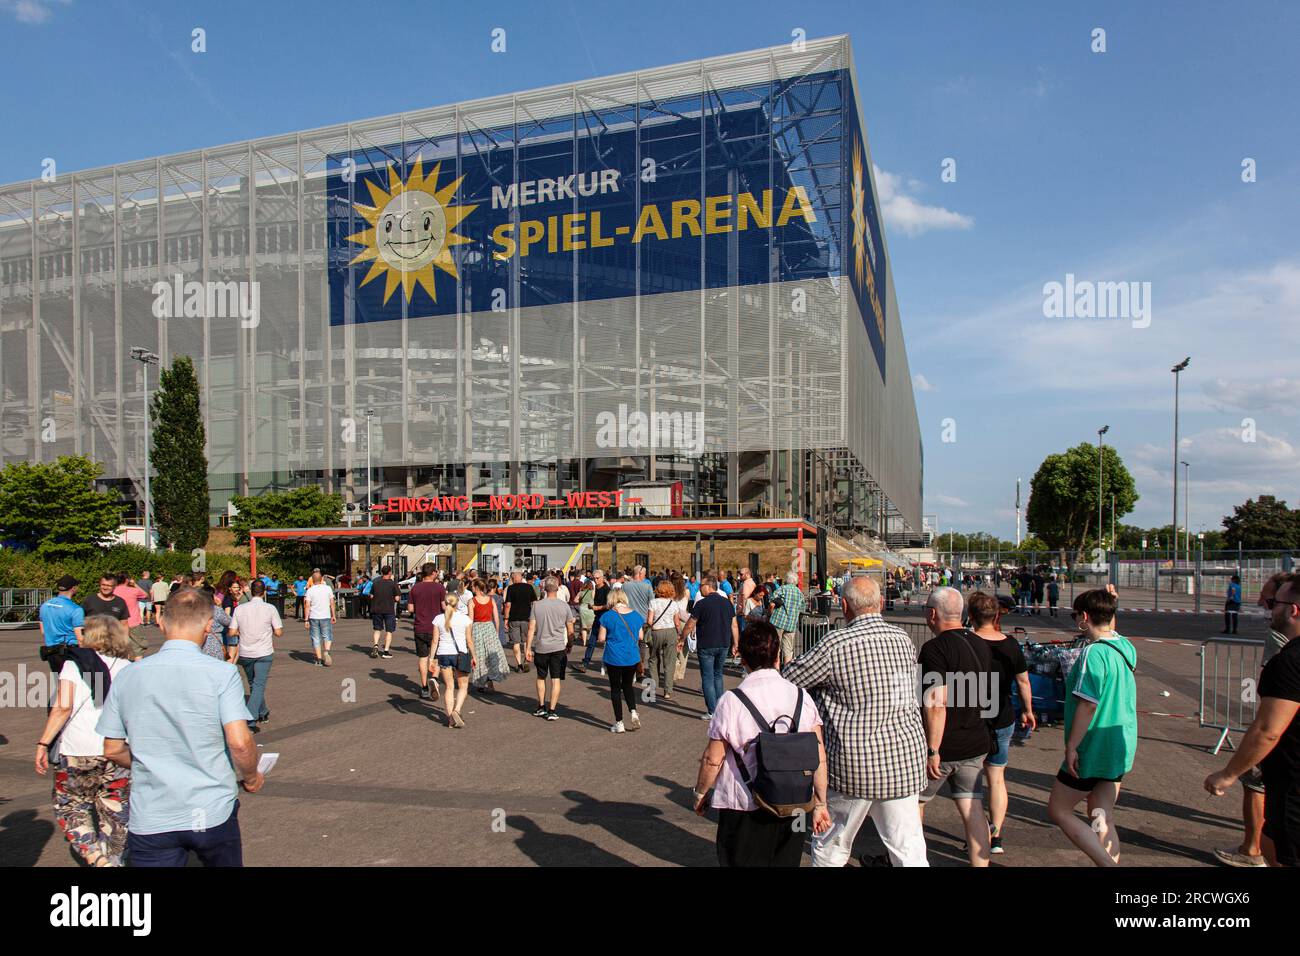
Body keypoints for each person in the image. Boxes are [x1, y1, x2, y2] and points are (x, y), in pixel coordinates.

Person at [96, 587, 263, 866]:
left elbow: (112, 749)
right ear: (210, 627)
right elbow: (239, 742)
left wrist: (150, 763)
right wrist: (251, 776)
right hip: (211, 808)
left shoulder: (128, 675)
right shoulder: (222, 673)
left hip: (152, 814)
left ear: (161, 622)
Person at [784, 576, 929, 867]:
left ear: (844, 605)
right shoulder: (902, 639)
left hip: (855, 763)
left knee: (831, 846)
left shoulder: (835, 644)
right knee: (908, 847)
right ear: (881, 603)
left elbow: (790, 680)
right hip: (903, 759)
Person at [693, 620, 831, 866]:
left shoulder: (732, 701)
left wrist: (701, 792)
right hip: (795, 803)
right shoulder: (802, 696)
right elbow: (818, 754)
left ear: (743, 660)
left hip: (745, 803)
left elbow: (713, 759)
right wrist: (820, 803)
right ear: (777, 655)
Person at [1205, 571, 1300, 867]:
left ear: (1293, 610)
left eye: (1274, 602)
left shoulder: (1289, 661)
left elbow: (1268, 729)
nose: (1268, 607)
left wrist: (1228, 774)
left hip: (1293, 786)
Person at [1047, 588, 1138, 866]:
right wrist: (1111, 604)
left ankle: (1108, 865)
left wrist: (1072, 745)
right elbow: (1111, 629)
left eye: (1076, 615)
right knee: (1101, 814)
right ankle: (1109, 860)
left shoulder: (1092, 654)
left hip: (1093, 745)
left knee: (1059, 809)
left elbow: (1088, 705)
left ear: (1084, 617)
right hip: (1119, 743)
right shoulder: (1125, 646)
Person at [34, 614, 134, 866]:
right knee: (116, 811)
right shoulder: (129, 668)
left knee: (72, 807)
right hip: (117, 749)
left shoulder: (73, 665)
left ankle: (93, 854)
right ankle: (114, 859)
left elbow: (62, 707)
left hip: (77, 748)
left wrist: (44, 743)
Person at [917, 586, 996, 866]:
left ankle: (910, 860)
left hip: (944, 745)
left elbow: (935, 702)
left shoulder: (933, 650)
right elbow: (990, 696)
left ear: (932, 614)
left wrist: (932, 749)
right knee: (972, 807)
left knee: (917, 803)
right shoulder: (981, 644)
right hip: (975, 741)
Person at [967, 590, 1036, 855]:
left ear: (971, 616)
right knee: (996, 778)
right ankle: (995, 834)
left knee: (970, 782)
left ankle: (976, 834)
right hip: (1002, 715)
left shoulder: (967, 642)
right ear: (996, 615)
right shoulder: (1010, 645)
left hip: (972, 716)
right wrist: (1028, 710)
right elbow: (1023, 681)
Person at [681, 575, 740, 721]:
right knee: (718, 675)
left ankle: (712, 710)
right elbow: (734, 625)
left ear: (709, 586)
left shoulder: (701, 604)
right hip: (723, 643)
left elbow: (690, 624)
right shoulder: (727, 603)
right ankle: (721, 708)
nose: (699, 588)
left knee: (707, 677)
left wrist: (682, 638)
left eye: (702, 585)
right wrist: (736, 643)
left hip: (707, 644)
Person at [228, 579, 282, 733]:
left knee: (253, 684)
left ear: (250, 591)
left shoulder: (240, 609)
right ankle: (250, 718)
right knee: (258, 685)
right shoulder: (270, 608)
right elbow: (278, 632)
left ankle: (263, 712)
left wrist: (242, 631)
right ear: (264, 592)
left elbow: (232, 632)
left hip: (245, 652)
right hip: (264, 652)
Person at [597, 588, 644, 733]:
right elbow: (641, 636)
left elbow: (601, 638)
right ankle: (634, 712)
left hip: (614, 656)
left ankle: (619, 722)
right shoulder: (636, 615)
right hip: (631, 656)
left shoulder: (607, 616)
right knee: (628, 686)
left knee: (615, 689)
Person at [527, 576, 574, 720]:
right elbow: (570, 628)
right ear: (558, 587)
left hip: (541, 646)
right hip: (558, 646)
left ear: (544, 589)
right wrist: (570, 644)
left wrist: (528, 648)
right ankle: (552, 709)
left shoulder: (537, 605)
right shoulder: (564, 606)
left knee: (541, 677)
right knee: (556, 678)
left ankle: (541, 706)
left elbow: (531, 628)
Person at [434, 594, 474, 728]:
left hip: (444, 654)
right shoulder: (465, 619)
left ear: (444, 603)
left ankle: (450, 718)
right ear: (458, 604)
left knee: (449, 687)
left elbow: (435, 641)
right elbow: (469, 640)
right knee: (463, 686)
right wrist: (474, 656)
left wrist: (430, 659)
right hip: (460, 654)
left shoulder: (438, 619)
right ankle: (456, 711)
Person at [408, 563, 445, 701]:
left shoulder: (415, 588)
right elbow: (443, 606)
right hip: (436, 627)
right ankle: (434, 678)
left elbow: (410, 609)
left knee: (422, 658)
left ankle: (424, 687)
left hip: (420, 627)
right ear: (433, 573)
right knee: (436, 657)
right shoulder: (440, 587)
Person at [38, 575, 85, 678]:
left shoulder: (45, 606)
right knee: (74, 684)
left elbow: (43, 631)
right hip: (70, 652)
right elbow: (80, 638)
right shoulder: (76, 609)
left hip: (51, 651)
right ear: (73, 588)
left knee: (60, 682)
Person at [469, 578, 510, 694]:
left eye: (472, 586)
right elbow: (496, 618)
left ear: (477, 588)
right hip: (489, 627)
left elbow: (470, 620)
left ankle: (481, 681)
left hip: (477, 628)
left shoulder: (472, 601)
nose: (471, 588)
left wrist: (469, 634)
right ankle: (490, 679)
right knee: (490, 655)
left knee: (479, 655)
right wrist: (496, 632)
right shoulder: (490, 600)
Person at [646, 580, 684, 702]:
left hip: (656, 632)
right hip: (670, 632)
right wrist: (680, 636)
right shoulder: (673, 604)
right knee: (669, 661)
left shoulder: (653, 602)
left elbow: (649, 621)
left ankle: (653, 686)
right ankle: (667, 690)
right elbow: (677, 622)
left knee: (653, 659)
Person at [768, 571, 808, 667]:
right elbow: (802, 609)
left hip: (778, 621)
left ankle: (776, 669)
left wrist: (770, 613)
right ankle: (787, 671)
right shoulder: (800, 593)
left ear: (786, 579)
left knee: (776, 647)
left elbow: (771, 602)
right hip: (791, 624)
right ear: (796, 581)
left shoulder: (782, 589)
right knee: (788, 649)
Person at [574, 569, 609, 675]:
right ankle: (585, 663)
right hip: (597, 617)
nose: (596, 580)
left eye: (597, 578)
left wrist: (596, 607)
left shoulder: (607, 589)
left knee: (607, 642)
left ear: (602, 578)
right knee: (592, 641)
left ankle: (608, 664)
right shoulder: (595, 589)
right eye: (594, 578)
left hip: (605, 618)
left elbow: (608, 605)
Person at [503, 570, 536, 674]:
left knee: (516, 643)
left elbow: (508, 605)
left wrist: (506, 618)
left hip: (514, 618)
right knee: (526, 641)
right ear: (522, 578)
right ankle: (526, 660)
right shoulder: (529, 587)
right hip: (526, 617)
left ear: (513, 579)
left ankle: (519, 664)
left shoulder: (510, 588)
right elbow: (534, 602)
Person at [303, 570, 336, 666]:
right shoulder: (328, 589)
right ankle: (327, 651)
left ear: (312, 580)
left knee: (315, 637)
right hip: (325, 615)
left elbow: (307, 605)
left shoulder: (310, 590)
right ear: (322, 579)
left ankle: (319, 659)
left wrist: (306, 619)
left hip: (314, 616)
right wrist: (333, 615)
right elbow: (332, 603)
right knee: (327, 635)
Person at [367, 566, 400, 659]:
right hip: (388, 609)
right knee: (389, 631)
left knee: (377, 629)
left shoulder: (376, 583)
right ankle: (386, 651)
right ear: (389, 572)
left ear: (382, 573)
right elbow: (397, 598)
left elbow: (371, 596)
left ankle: (376, 645)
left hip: (376, 609)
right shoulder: (393, 584)